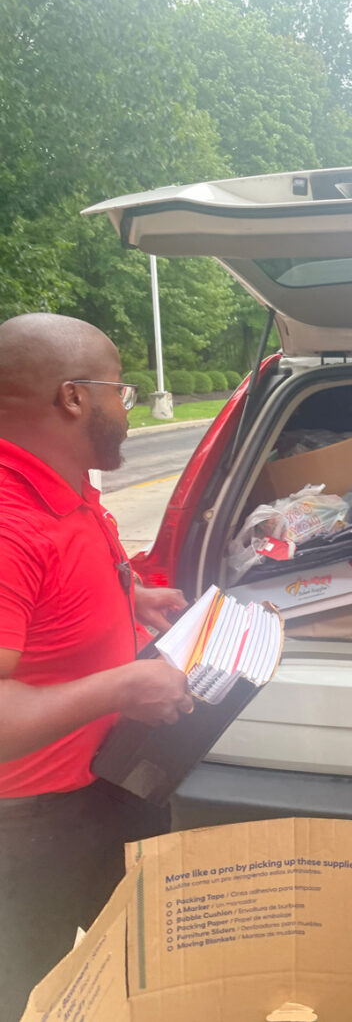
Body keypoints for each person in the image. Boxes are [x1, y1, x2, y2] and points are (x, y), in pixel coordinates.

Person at [0, 313, 195, 1019]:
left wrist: (131, 597)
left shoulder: (64, 481)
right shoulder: (8, 519)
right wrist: (122, 684)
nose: (127, 405)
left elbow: (47, 600)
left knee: (138, 966)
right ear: (73, 398)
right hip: (31, 826)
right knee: (28, 991)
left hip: (108, 776)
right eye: (122, 390)